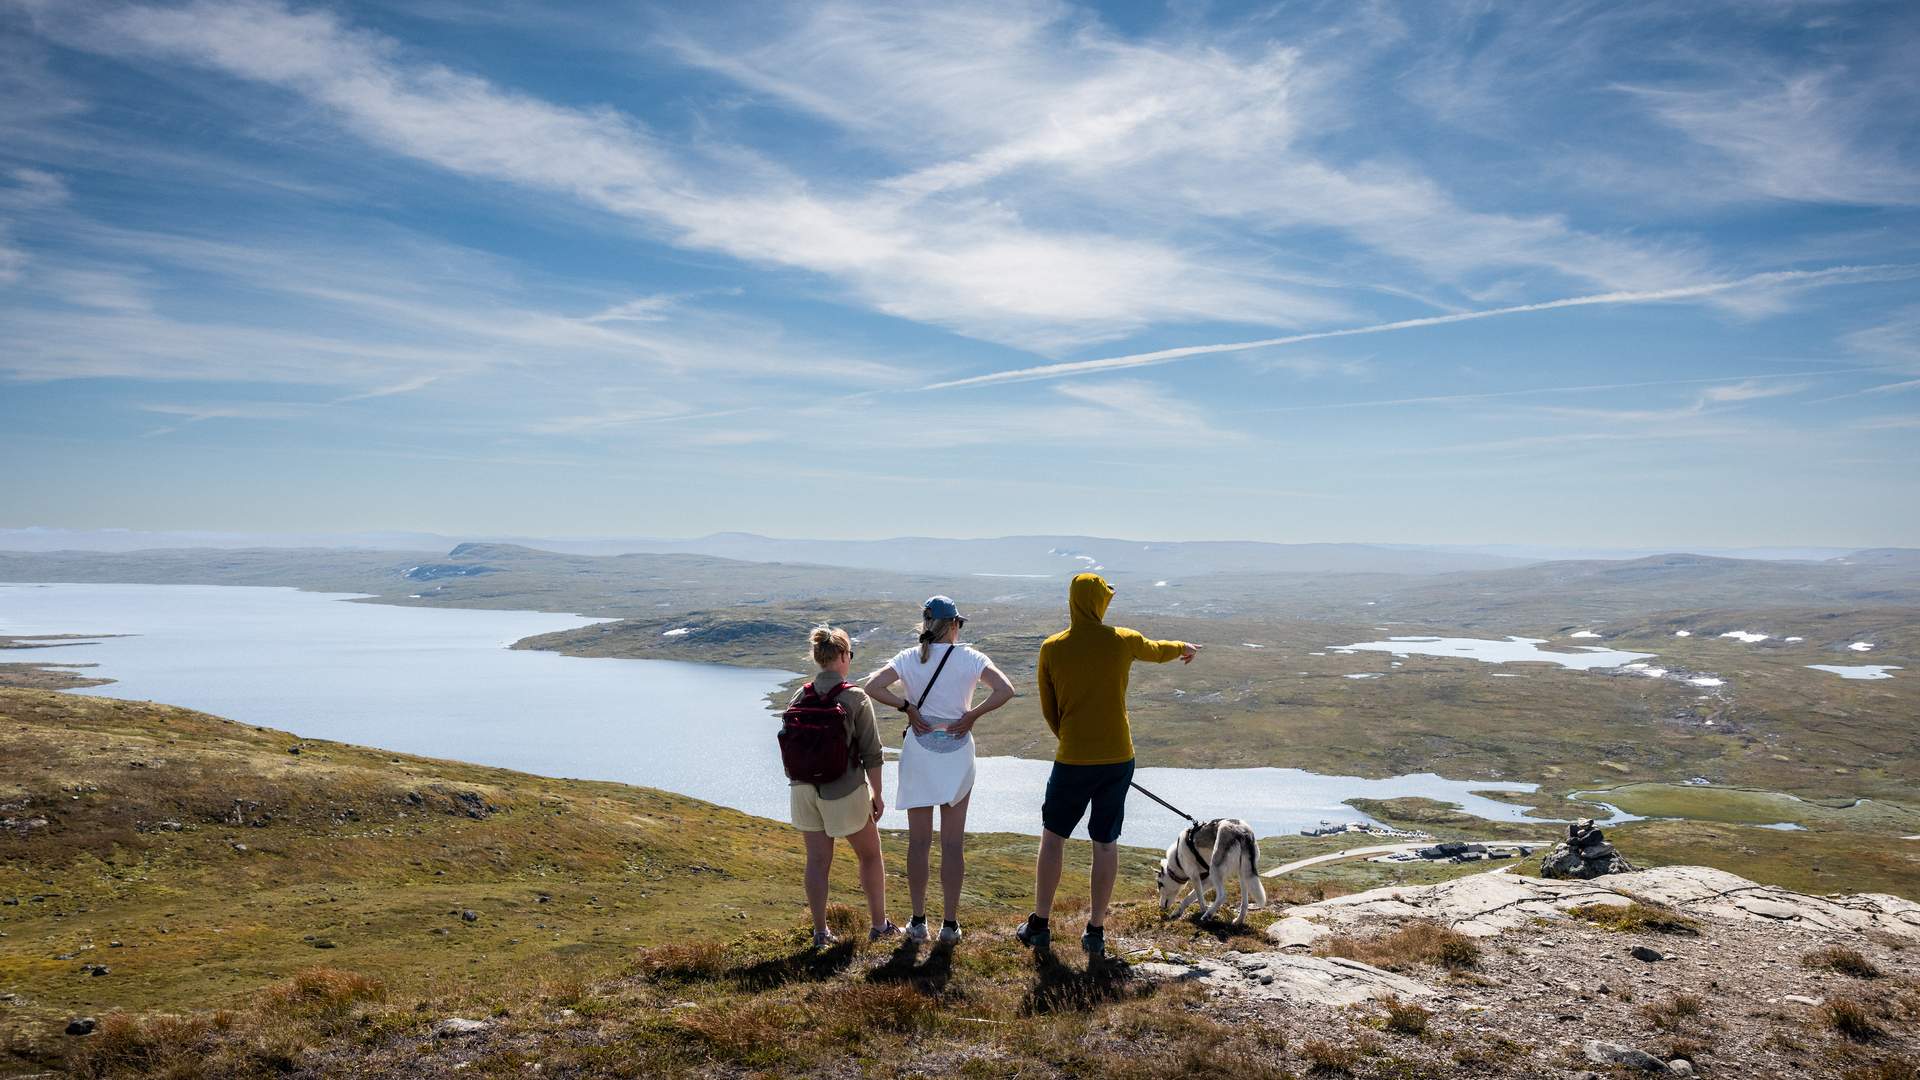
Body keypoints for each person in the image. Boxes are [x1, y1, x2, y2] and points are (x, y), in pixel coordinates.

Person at [1016, 573, 1200, 958]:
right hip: (1119, 758)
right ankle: (1096, 929)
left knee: (1053, 839)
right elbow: (1155, 649)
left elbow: (1050, 709)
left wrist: (1071, 738)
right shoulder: (1121, 640)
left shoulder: (1052, 648)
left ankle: (1039, 925)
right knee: (1105, 843)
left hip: (1072, 758)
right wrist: (1183, 646)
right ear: (1099, 604)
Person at [863, 596, 1015, 946]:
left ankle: (918, 921)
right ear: (954, 625)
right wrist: (972, 715)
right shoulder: (971, 658)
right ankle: (950, 924)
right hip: (958, 750)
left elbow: (872, 687)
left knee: (918, 842)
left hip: (919, 749)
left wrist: (907, 707)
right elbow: (1005, 690)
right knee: (952, 842)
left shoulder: (909, 657)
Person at [787, 625, 897, 947]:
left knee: (817, 861)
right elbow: (872, 753)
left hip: (803, 790)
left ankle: (821, 933)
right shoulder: (855, 697)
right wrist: (877, 793)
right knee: (870, 856)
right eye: (850, 654)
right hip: (843, 791)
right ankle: (879, 926)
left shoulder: (800, 694)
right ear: (843, 657)